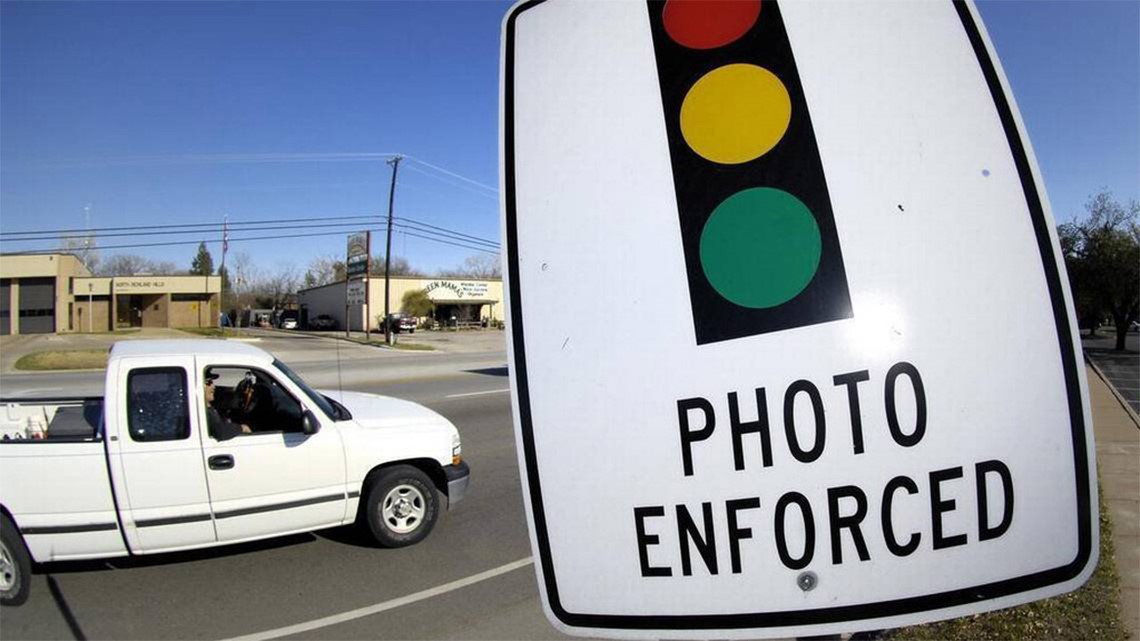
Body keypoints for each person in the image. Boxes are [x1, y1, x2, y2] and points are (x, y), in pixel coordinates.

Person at [204, 371, 251, 441]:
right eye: (208, 382)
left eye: (212, 382)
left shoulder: (207, 407)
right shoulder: (203, 412)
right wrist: (242, 428)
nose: (213, 386)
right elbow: (220, 432)